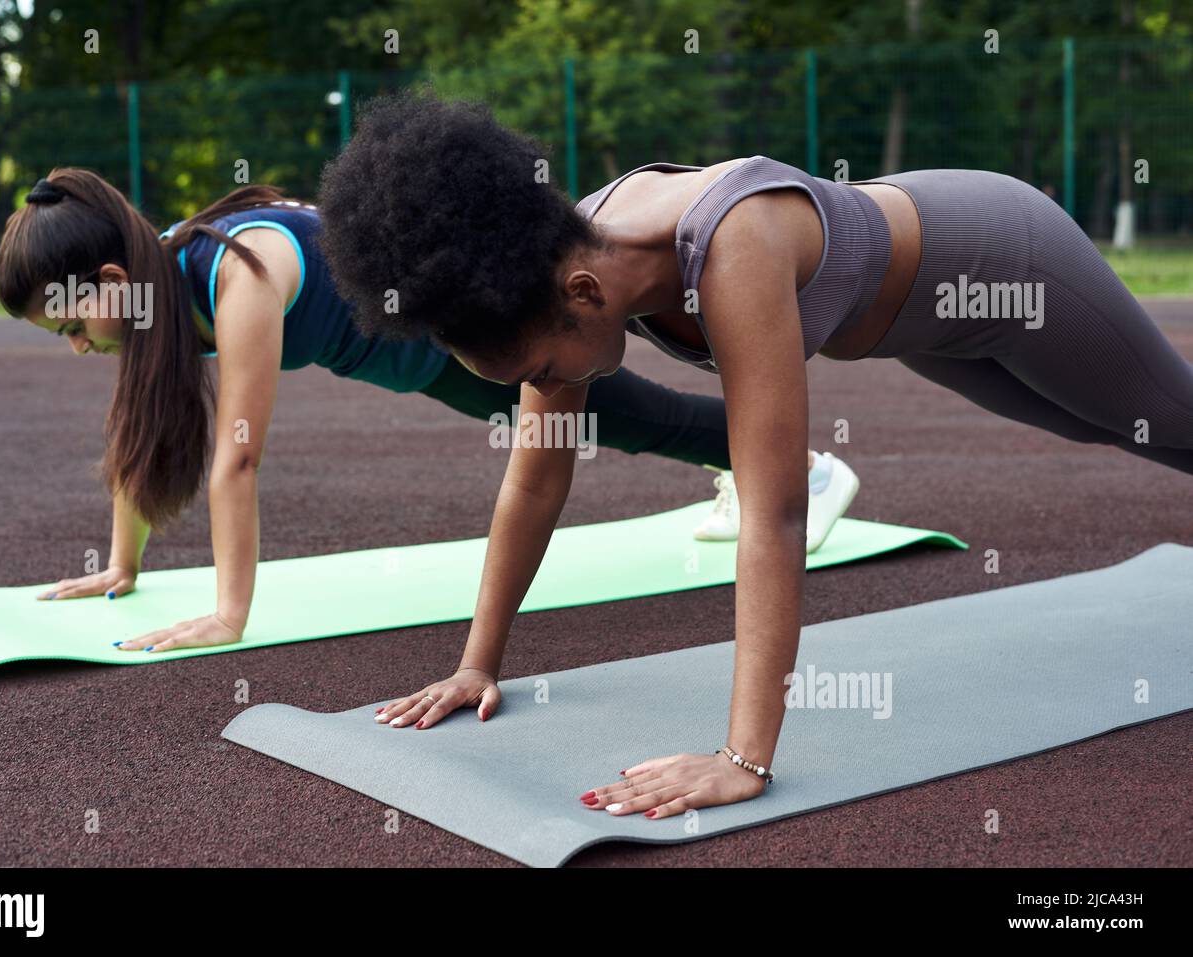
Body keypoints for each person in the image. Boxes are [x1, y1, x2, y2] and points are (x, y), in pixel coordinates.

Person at [315, 93, 1193, 821]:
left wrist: (743, 756)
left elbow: (775, 511)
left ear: (582, 296)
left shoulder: (730, 247)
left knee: (1167, 419)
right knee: (1103, 428)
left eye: (542, 370)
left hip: (1011, 259)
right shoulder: (551, 271)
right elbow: (536, 475)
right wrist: (479, 661)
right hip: (928, 328)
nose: (545, 391)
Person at [0, 168, 855, 653]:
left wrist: (230, 613)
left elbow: (239, 453)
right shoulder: (150, 300)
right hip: (419, 366)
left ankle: (803, 468)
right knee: (613, 420)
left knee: (618, 417)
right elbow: (141, 429)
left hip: (458, 338)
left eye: (71, 324)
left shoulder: (236, 273)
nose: (75, 345)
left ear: (111, 283)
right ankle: (752, 465)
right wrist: (123, 566)